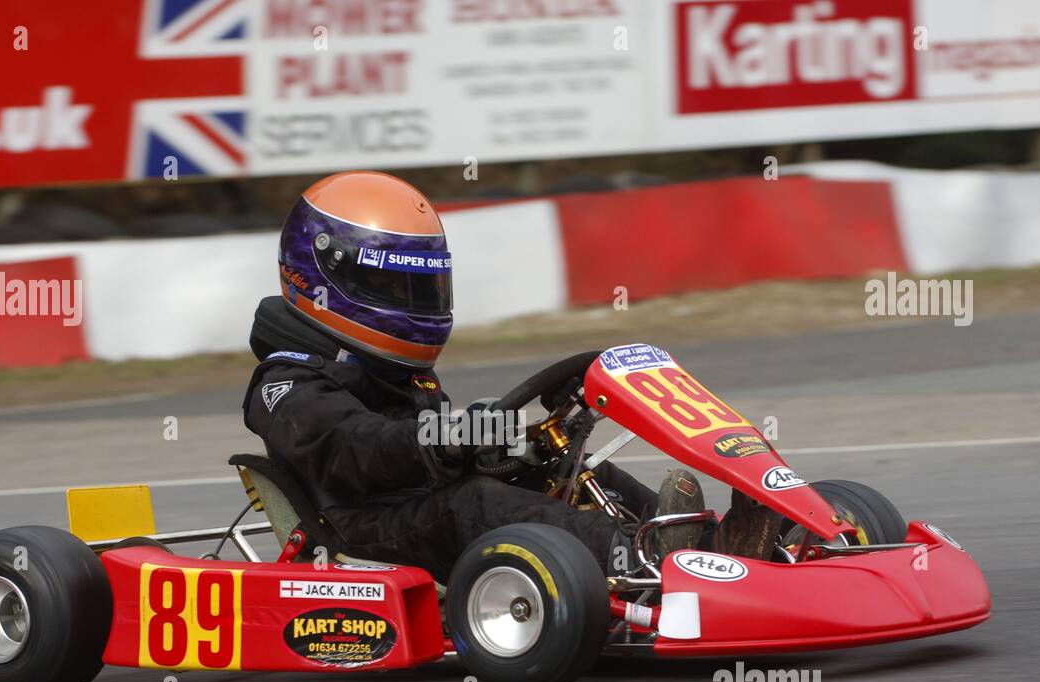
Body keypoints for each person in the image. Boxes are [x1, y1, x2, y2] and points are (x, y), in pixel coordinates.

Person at [243, 171, 777, 582]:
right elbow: (353, 449)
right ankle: (645, 557)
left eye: (422, 289)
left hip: (418, 504)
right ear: (323, 274)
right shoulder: (286, 384)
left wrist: (504, 444)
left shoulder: (391, 370)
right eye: (398, 289)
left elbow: (430, 450)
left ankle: (711, 546)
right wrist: (447, 440)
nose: (416, 305)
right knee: (477, 502)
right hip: (362, 531)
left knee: (566, 464)